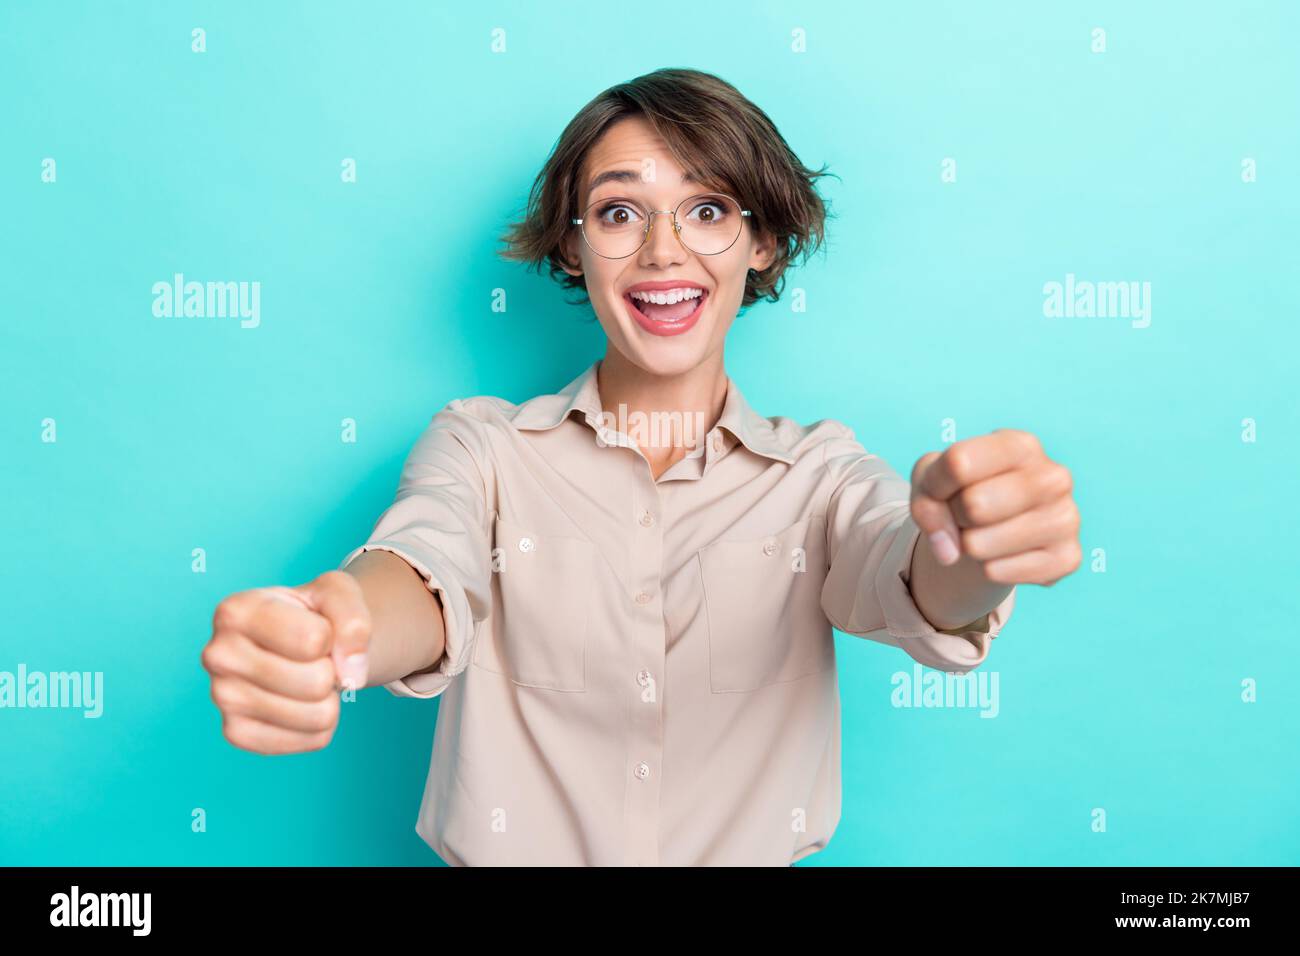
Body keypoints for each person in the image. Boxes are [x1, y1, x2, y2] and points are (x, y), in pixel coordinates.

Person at [201, 68, 1081, 866]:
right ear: (572, 247)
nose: (664, 252)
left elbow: (918, 580)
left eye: (707, 210)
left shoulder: (820, 475)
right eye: (621, 213)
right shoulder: (483, 448)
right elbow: (423, 569)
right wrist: (337, 625)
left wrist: (974, 548)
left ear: (761, 241)